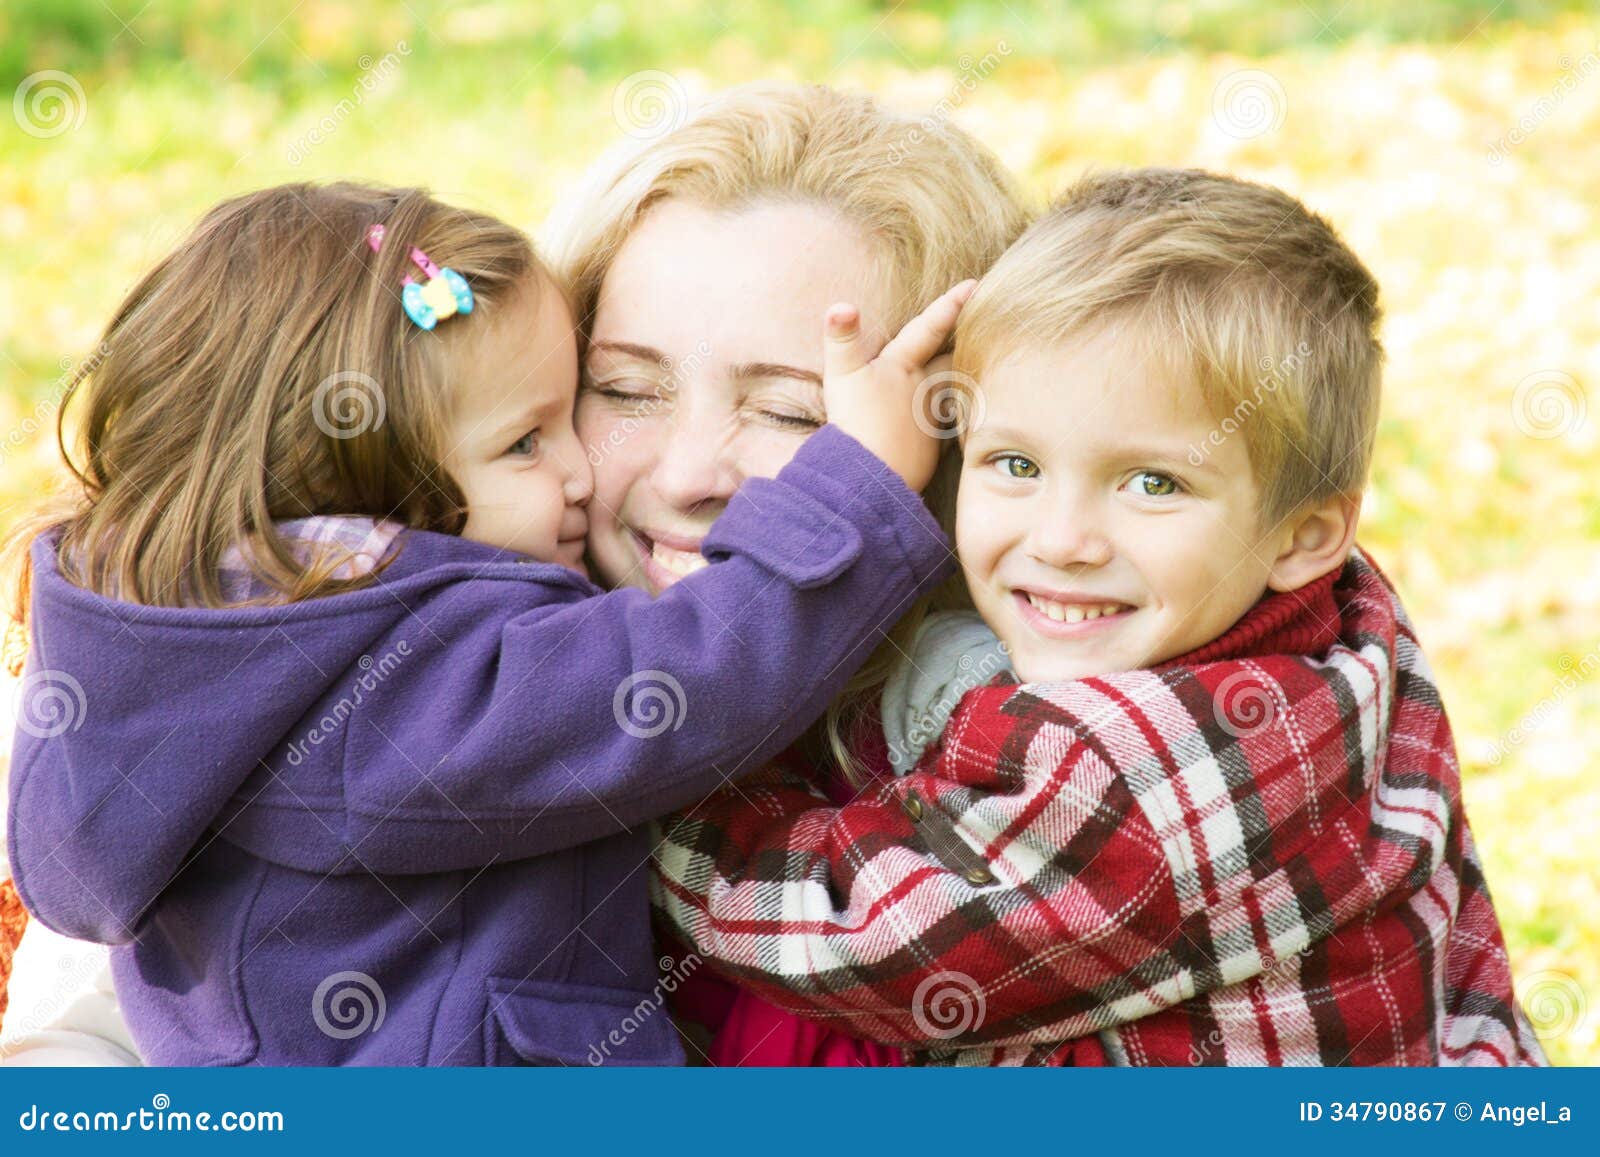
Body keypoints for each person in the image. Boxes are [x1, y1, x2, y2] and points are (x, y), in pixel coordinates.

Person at [3, 178, 969, 1065]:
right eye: (525, 442)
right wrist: (857, 487)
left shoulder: (209, 639)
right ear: (369, 473)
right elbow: (680, 682)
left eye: (793, 413)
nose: (581, 474)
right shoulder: (386, 671)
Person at [652, 169, 1548, 1067]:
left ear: (1304, 533)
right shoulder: (1359, 622)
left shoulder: (1135, 773)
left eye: (1153, 483)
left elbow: (852, 937)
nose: (1064, 538)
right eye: (1014, 463)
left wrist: (668, 789)